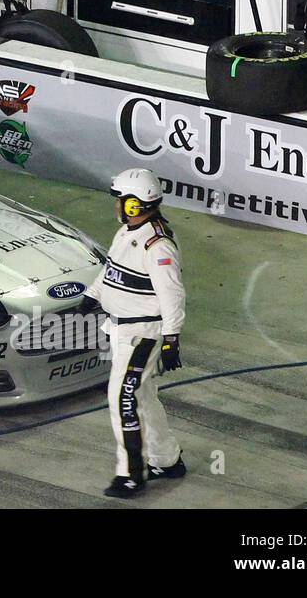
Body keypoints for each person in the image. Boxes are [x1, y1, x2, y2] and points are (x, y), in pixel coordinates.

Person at [76, 168, 187, 499]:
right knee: (143, 394)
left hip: (142, 333)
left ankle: (131, 475)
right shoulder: (127, 232)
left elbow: (173, 294)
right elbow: (112, 271)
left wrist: (171, 338)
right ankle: (167, 461)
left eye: (122, 201)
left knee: (121, 397)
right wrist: (92, 296)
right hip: (122, 328)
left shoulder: (158, 246)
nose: (118, 206)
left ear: (136, 204)